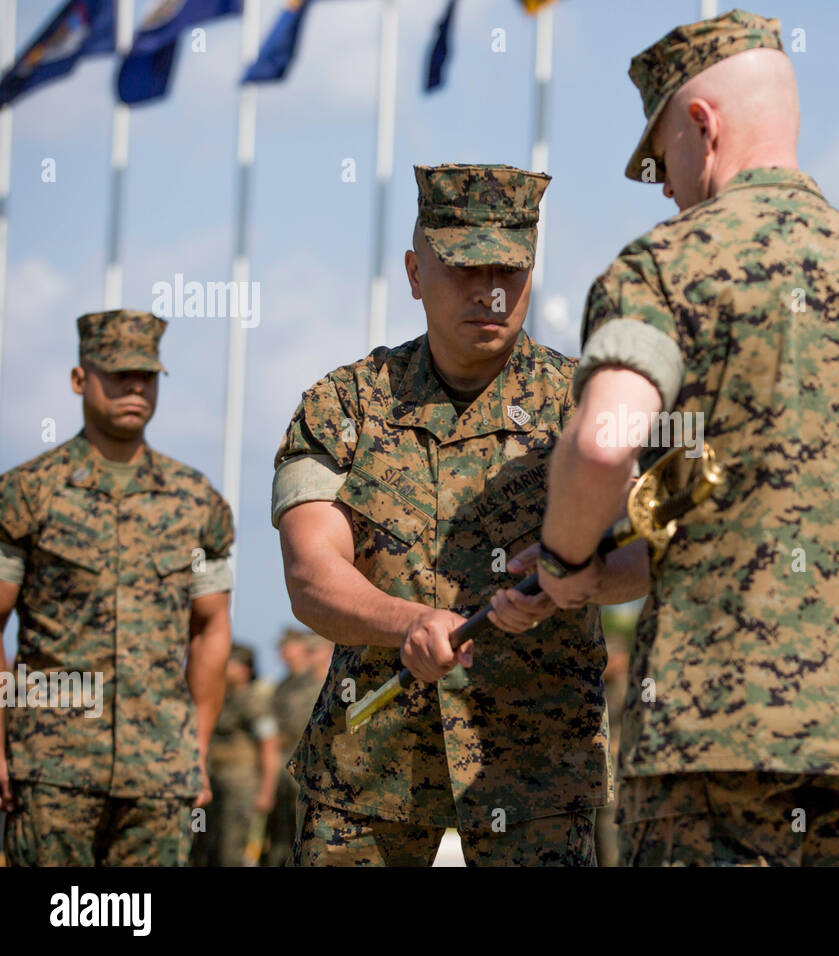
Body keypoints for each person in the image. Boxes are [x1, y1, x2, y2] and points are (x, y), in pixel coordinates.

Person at [523, 10, 839, 866]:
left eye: (658, 159)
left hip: (714, 740)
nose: (663, 187)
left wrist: (563, 567)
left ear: (701, 127)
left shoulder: (665, 267)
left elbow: (602, 443)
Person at [272, 163, 643, 866]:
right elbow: (311, 572)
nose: (492, 292)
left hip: (536, 776)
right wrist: (406, 622)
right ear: (415, 273)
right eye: (466, 271)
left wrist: (582, 577)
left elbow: (650, 546)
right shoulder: (345, 405)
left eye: (510, 269)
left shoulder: (587, 404)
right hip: (369, 774)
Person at [0, 309, 234, 866]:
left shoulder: (195, 501)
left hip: (159, 773)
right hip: (50, 771)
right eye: (118, 373)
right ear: (81, 380)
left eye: (147, 376)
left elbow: (211, 628)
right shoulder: (28, 493)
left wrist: (195, 750)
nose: (135, 386)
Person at [191, 644, 278, 866]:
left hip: (242, 785)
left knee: (233, 848)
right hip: (216, 780)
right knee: (209, 845)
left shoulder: (253, 701)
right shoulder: (222, 697)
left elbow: (269, 745)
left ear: (245, 669)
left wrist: (267, 791)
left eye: (231, 664)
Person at [261, 628, 331, 867]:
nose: (309, 655)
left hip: (315, 767)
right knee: (279, 835)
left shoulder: (331, 684)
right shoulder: (288, 686)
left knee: (307, 834)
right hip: (287, 763)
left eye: (314, 650)